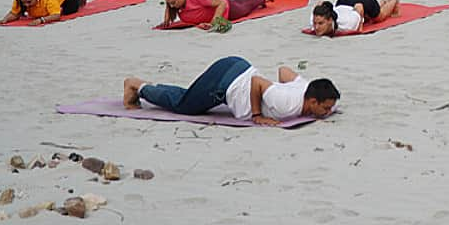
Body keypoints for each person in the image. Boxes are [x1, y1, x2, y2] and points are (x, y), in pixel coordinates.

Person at [122, 56, 338, 125]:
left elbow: (284, 71)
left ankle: (145, 87)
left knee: (190, 96)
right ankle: (136, 85)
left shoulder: (306, 87)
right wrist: (257, 115)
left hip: (238, 68)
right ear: (312, 102)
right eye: (326, 108)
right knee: (184, 106)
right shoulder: (287, 103)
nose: (328, 112)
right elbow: (257, 82)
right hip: (225, 82)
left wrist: (278, 87)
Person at [158, 0, 272, 30]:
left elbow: (221, 3)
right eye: (169, 4)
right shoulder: (175, 0)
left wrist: (213, 23)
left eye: (173, 3)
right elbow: (170, 5)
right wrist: (167, 18)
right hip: (213, 6)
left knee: (245, 8)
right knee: (241, 3)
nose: (172, 6)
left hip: (227, 9)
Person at [309, 0, 401, 36]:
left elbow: (360, 7)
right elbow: (320, 3)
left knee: (379, 17)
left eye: (320, 23)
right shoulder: (314, 20)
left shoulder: (347, 24)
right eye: (315, 23)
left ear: (330, 20)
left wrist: (360, 28)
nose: (316, 27)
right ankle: (381, 3)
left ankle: (393, 1)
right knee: (368, 17)